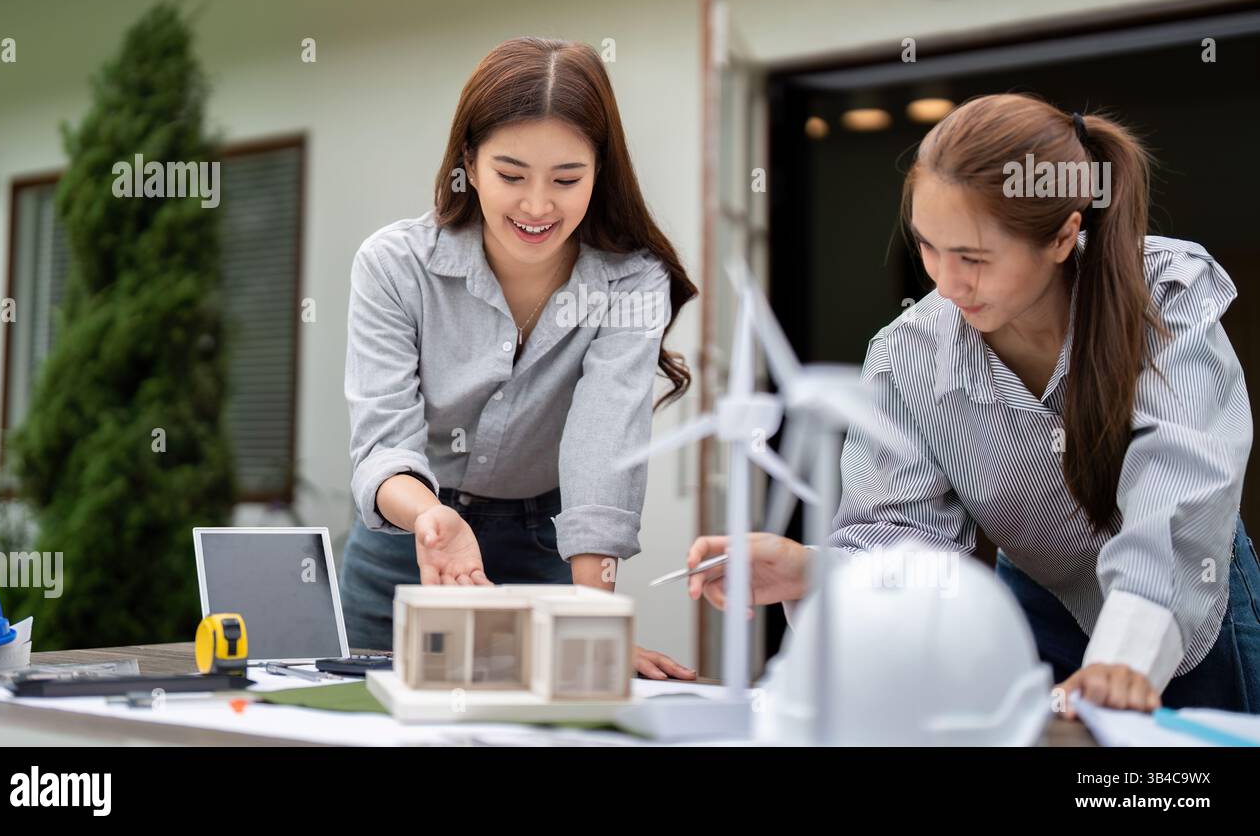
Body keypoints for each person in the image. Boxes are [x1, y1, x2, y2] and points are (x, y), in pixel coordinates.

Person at [684, 93, 1260, 716]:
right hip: (1040, 600)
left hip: (1186, 605)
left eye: (974, 258)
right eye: (928, 247)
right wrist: (811, 570)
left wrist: (1123, 656)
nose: (946, 282)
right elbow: (904, 538)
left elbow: (1176, 497)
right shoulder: (909, 354)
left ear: (1065, 235)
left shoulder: (1165, 297)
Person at [339, 36, 698, 680]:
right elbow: (382, 444)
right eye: (510, 176)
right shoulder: (394, 267)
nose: (537, 206)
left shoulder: (633, 282)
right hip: (411, 542)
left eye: (567, 179)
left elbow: (603, 441)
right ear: (469, 165)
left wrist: (591, 626)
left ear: (601, 171)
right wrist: (431, 519)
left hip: (548, 547)